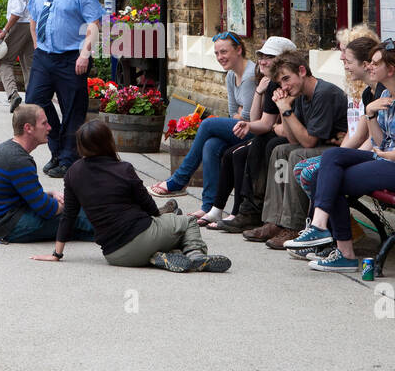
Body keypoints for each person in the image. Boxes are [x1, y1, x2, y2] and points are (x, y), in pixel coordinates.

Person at [288, 39, 395, 273]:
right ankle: (322, 228)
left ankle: (343, 252)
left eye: (376, 63)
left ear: (390, 70)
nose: (370, 66)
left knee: (329, 179)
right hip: (390, 162)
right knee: (332, 158)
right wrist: (370, 114)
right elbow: (381, 141)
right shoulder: (389, 96)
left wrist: (383, 153)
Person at [32, 120, 231, 272]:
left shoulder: (73, 173)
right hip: (141, 236)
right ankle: (195, 255)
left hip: (114, 255)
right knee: (187, 223)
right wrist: (165, 221)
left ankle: (160, 255)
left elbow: (69, 215)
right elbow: (150, 207)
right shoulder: (123, 169)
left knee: (167, 230)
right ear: (108, 142)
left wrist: (57, 254)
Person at [285, 28, 382, 258]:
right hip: (367, 153)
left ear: (366, 63)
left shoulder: (381, 93)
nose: (341, 60)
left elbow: (376, 140)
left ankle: (323, 233)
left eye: (346, 57)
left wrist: (339, 159)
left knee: (318, 171)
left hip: (384, 158)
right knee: (310, 168)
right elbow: (356, 134)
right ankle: (323, 233)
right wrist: (336, 158)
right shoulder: (367, 92)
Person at [242, 48, 348, 250]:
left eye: (286, 79)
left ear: (302, 70)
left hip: (339, 151)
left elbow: (308, 143)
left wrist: (286, 110)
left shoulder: (323, 93)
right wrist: (285, 108)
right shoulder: (299, 94)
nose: (284, 86)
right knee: (280, 151)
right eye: (280, 82)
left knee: (297, 155)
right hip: (320, 146)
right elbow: (292, 138)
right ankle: (274, 221)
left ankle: (294, 225)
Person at [149, 32, 255, 222]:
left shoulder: (249, 77)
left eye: (224, 51)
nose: (220, 57)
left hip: (255, 132)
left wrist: (241, 114)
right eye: (216, 53)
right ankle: (210, 207)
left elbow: (246, 118)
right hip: (240, 128)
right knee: (211, 145)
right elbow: (233, 113)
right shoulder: (231, 75)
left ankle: (179, 180)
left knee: (207, 124)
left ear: (239, 50)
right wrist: (240, 114)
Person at [25, 0, 104, 178]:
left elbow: (94, 23)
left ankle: (69, 159)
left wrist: (84, 53)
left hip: (72, 57)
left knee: (72, 109)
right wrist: (37, 45)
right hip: (44, 56)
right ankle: (57, 149)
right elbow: (33, 19)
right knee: (34, 103)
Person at [205, 36, 297, 232]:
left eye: (268, 57)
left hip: (289, 137)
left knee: (213, 130)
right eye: (261, 56)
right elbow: (256, 120)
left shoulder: (288, 83)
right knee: (215, 146)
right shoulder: (270, 83)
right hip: (272, 132)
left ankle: (245, 211)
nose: (262, 61)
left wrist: (251, 124)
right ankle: (217, 208)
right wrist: (259, 92)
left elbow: (267, 124)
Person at [0, 104, 95, 243]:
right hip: (7, 226)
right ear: (28, 128)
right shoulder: (18, 160)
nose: (49, 128)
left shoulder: (8, 149)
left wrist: (50, 194)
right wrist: (71, 204)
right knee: (75, 216)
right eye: (44, 123)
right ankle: (115, 234)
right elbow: (46, 209)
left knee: (73, 219)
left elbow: (25, 193)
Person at [0, 0, 36, 112]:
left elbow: (17, 12)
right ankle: (34, 97)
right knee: (28, 64)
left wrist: (5, 30)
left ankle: (13, 94)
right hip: (31, 24)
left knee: (3, 60)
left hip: (20, 25)